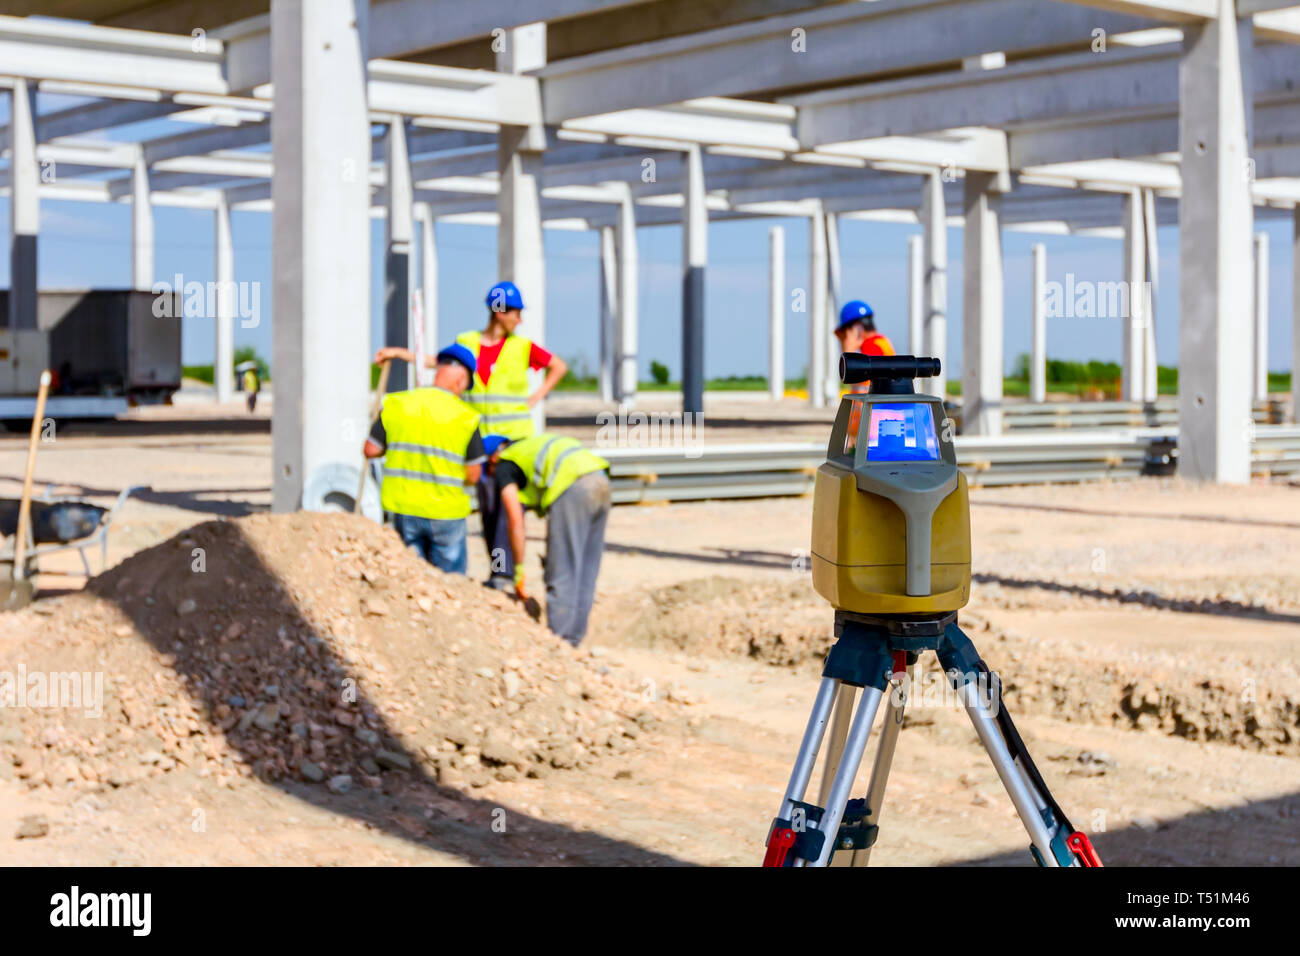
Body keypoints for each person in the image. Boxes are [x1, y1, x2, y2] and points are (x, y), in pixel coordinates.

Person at [363, 343, 484, 575]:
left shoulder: (396, 404)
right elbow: (473, 475)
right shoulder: (466, 417)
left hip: (404, 509)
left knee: (410, 579)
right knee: (450, 586)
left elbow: (370, 450)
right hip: (447, 513)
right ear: (461, 379)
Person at [481, 432, 610, 646]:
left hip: (572, 486)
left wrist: (518, 570)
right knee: (586, 569)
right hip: (600, 478)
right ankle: (574, 640)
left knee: (561, 569)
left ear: (492, 459)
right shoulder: (530, 447)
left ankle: (560, 644)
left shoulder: (505, 465)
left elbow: (515, 522)